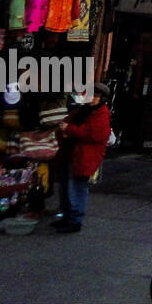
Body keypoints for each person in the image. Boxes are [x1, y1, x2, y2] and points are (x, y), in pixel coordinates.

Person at [52, 83, 112, 234]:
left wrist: (69, 129)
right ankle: (66, 216)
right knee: (65, 187)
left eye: (95, 96)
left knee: (77, 188)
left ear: (102, 99)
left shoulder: (101, 114)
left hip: (84, 157)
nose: (91, 98)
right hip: (70, 153)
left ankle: (75, 221)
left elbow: (95, 134)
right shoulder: (82, 110)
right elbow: (67, 122)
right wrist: (64, 129)